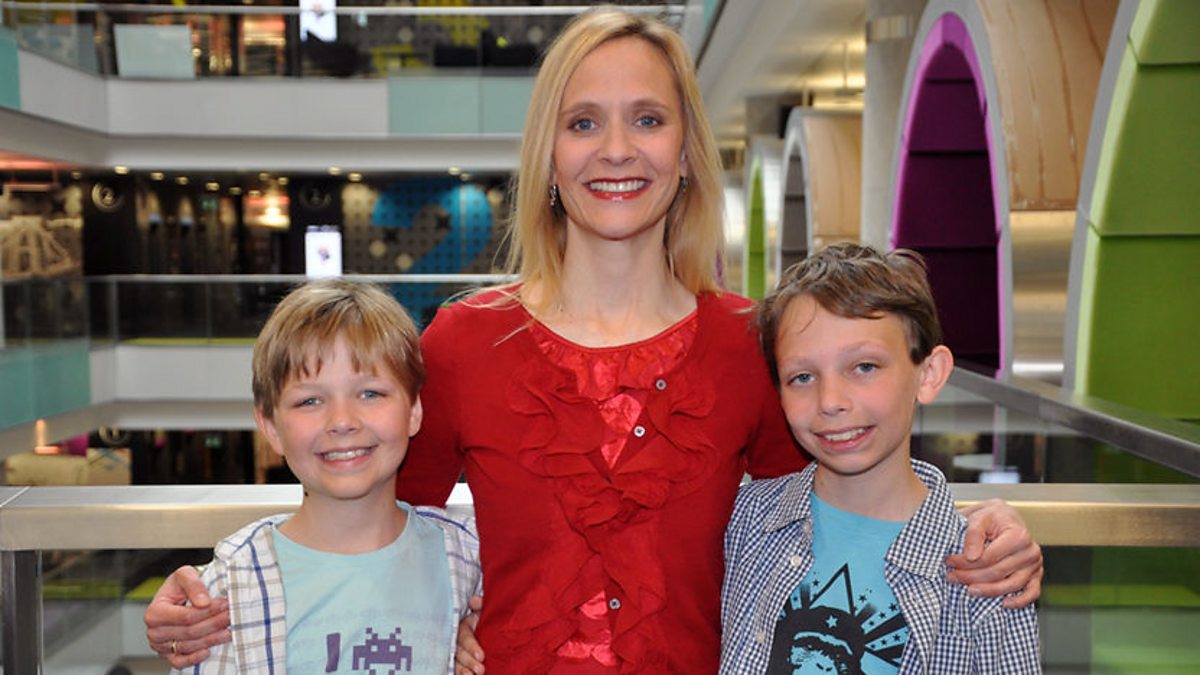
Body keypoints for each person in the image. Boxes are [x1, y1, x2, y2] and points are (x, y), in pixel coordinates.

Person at [145, 8, 1043, 674]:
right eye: (584, 123)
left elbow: (833, 496)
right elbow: (370, 520)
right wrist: (216, 587)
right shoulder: (463, 342)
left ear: (686, 150)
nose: (617, 150)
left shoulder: (749, 343)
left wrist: (977, 525)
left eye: (647, 119)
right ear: (549, 154)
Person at [720, 244, 1041, 674]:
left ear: (928, 374)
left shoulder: (986, 572)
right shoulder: (742, 525)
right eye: (802, 377)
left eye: (865, 367)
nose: (830, 401)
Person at [164, 279, 481, 674]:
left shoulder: (469, 563)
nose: (342, 421)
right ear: (271, 427)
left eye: (370, 393)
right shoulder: (229, 589)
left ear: (414, 410)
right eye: (310, 401)